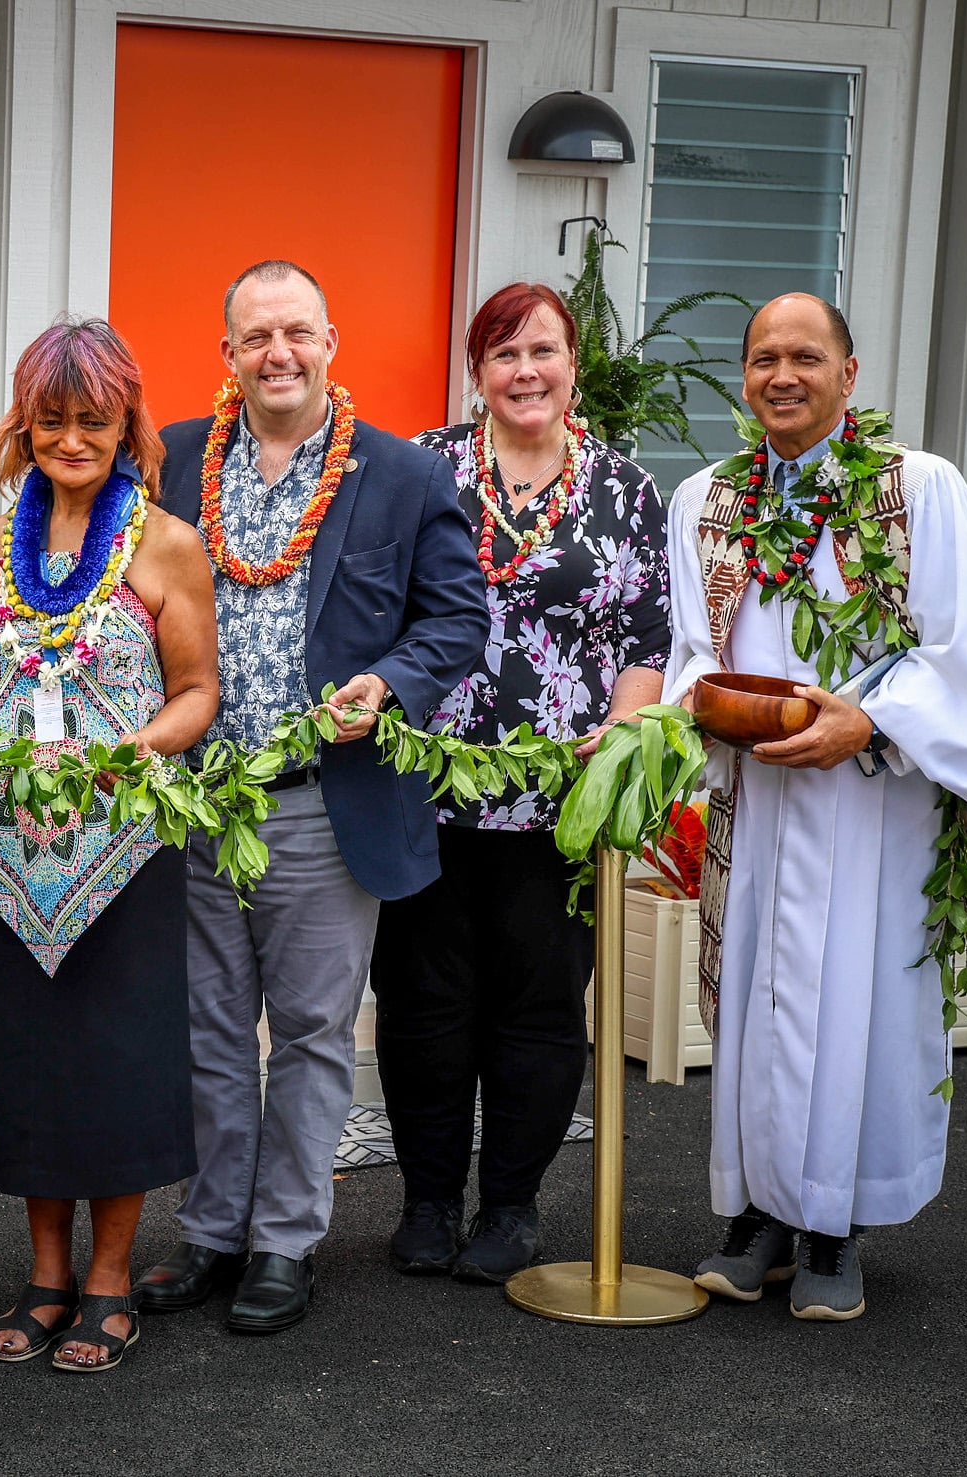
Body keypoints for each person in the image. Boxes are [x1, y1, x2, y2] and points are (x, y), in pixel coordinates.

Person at [662, 292, 967, 1320]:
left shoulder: (917, 491)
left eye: (805, 357)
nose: (782, 375)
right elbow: (692, 645)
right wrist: (698, 710)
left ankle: (833, 1228)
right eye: (762, 358)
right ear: (743, 377)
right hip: (758, 798)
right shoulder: (704, 497)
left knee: (858, 1004)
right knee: (753, 1005)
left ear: (848, 374)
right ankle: (755, 1218)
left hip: (873, 806)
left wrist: (863, 723)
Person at [136, 260, 490, 1333]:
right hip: (195, 802)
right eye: (255, 337)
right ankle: (208, 1230)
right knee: (203, 1029)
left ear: (330, 340)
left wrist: (391, 682)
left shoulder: (401, 475)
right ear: (227, 354)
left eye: (295, 332)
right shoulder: (174, 462)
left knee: (308, 1033)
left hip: (320, 805)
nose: (276, 353)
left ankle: (283, 1241)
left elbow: (456, 619)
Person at [370, 282, 672, 1283]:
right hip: (425, 789)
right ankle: (423, 1200)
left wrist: (622, 731)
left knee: (538, 1009)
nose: (524, 371)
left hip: (557, 801)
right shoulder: (423, 469)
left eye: (541, 350)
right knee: (421, 1002)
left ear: (572, 362)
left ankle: (507, 1205)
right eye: (502, 354)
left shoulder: (624, 491)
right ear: (475, 372)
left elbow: (643, 637)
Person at [0, 319, 217, 1372]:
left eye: (90, 420)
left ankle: (108, 1276)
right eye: (50, 420)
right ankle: (44, 1271)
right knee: (38, 1065)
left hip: (130, 844)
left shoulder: (165, 543)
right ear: (24, 424)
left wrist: (133, 752)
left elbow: (197, 692)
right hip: (15, 852)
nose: (69, 439)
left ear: (124, 423)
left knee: (121, 1063)